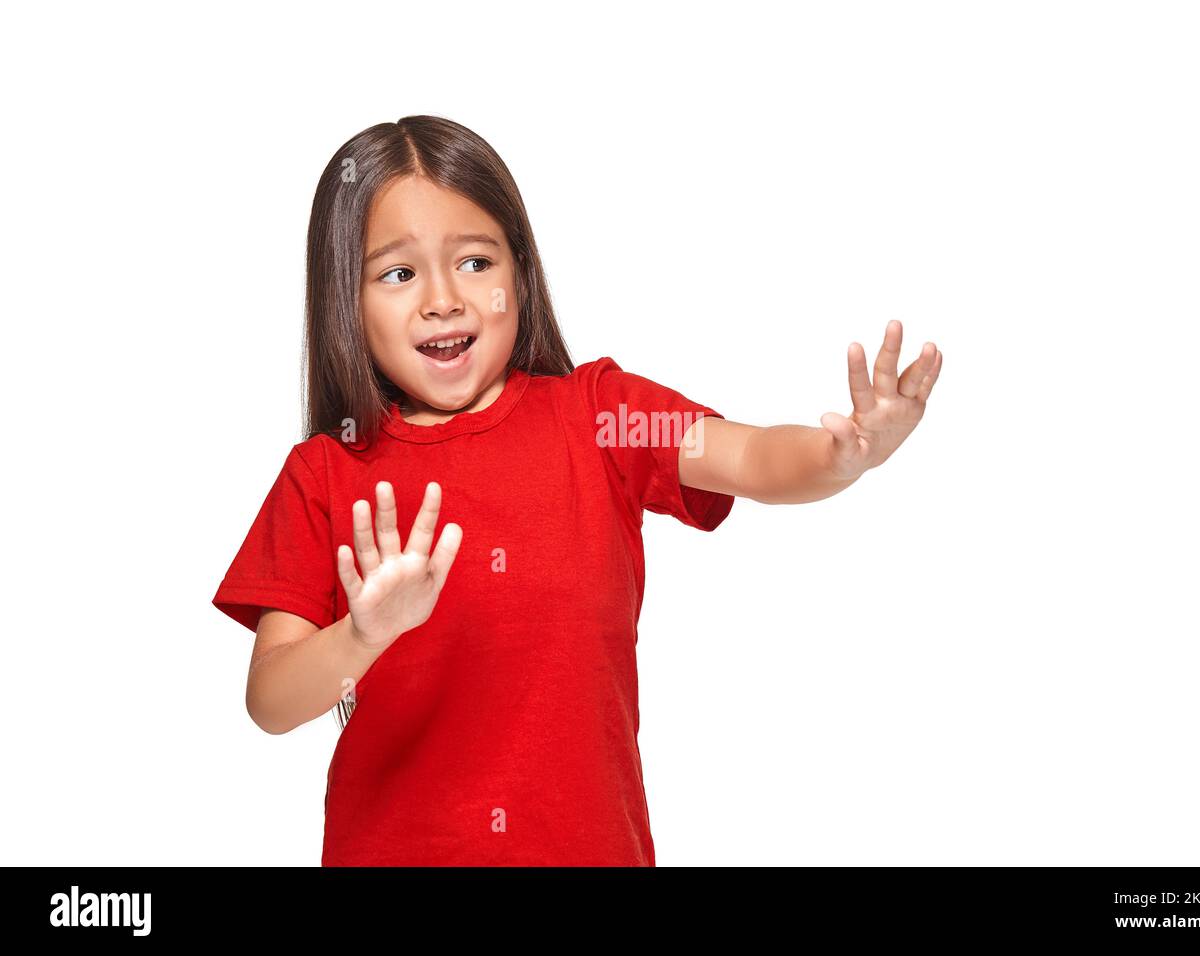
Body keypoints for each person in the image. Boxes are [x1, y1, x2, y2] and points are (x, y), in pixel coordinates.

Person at [212, 115, 943, 866]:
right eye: (398, 274)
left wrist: (842, 454)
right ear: (347, 299)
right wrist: (362, 637)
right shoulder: (325, 474)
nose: (442, 299)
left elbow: (752, 457)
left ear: (519, 274)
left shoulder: (602, 418)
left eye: (474, 262)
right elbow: (270, 701)